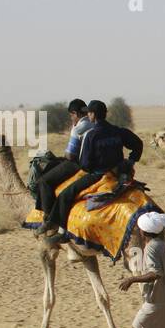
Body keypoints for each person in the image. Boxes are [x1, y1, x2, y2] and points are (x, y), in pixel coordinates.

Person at [48, 99, 144, 236]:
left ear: (93, 115)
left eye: (89, 114)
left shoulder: (91, 135)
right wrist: (130, 161)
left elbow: (86, 164)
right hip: (117, 174)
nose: (87, 116)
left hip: (97, 175)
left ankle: (62, 232)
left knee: (65, 195)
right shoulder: (118, 131)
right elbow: (138, 144)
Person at [37, 99, 91, 227]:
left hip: (77, 164)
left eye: (71, 115)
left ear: (75, 113)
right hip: (94, 161)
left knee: (44, 181)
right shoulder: (94, 123)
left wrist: (61, 158)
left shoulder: (78, 128)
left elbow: (70, 155)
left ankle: (50, 219)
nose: (71, 118)